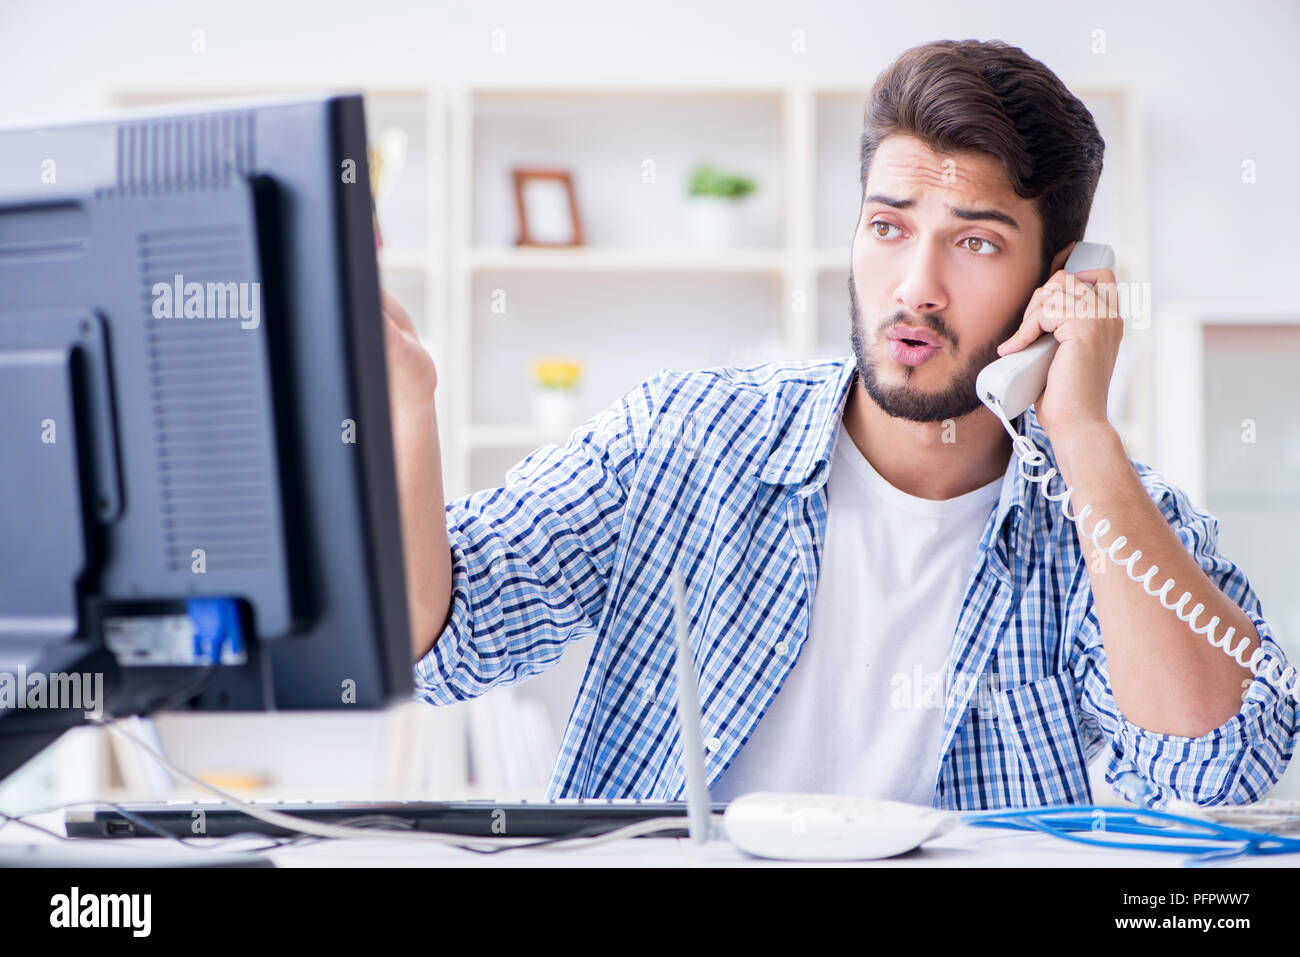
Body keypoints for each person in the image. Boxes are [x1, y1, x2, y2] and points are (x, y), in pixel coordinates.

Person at [381, 38, 1295, 808]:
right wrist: (410, 408)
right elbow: (440, 646)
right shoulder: (682, 439)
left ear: (1062, 282)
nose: (915, 287)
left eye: (975, 242)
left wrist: (1085, 434)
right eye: (889, 227)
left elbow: (1216, 770)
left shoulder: (1105, 523)